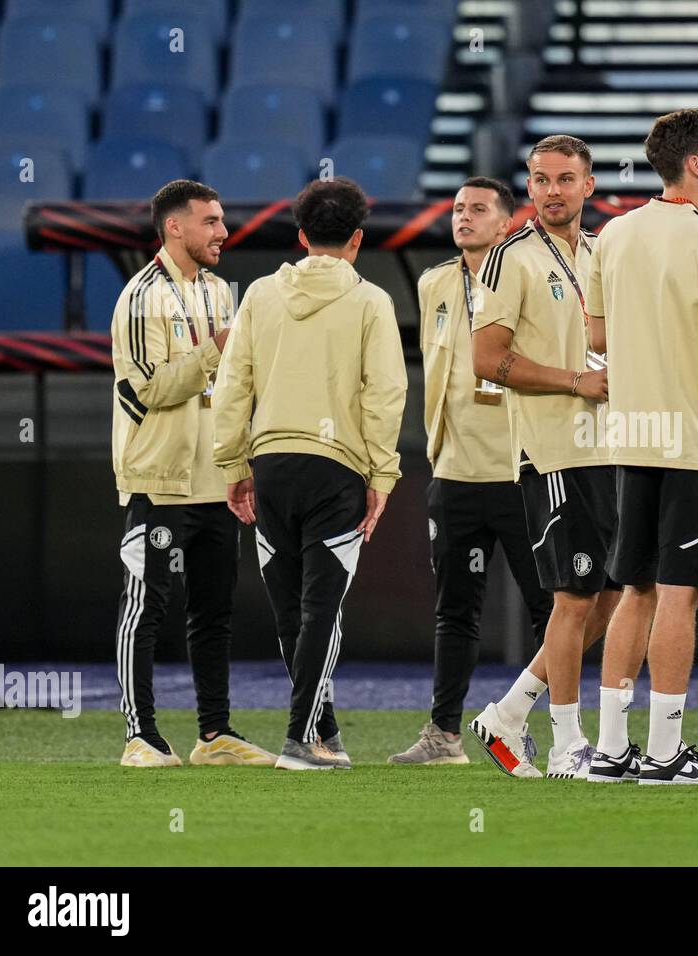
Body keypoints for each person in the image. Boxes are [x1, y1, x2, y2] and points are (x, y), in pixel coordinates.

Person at [584, 109, 698, 785]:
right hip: (695, 438)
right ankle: (663, 753)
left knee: (635, 589)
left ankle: (609, 749)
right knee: (680, 594)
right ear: (696, 164)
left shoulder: (614, 235)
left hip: (632, 435)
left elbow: (597, 335)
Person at [213, 177, 408, 771]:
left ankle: (324, 733)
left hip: (271, 464)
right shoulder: (372, 301)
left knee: (292, 612)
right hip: (337, 466)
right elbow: (386, 394)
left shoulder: (260, 297)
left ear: (300, 237)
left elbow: (232, 385)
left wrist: (232, 463)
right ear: (357, 238)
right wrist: (383, 474)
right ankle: (300, 740)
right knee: (322, 608)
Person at [468, 135, 621, 780]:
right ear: (528, 187)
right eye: (540, 179)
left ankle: (509, 710)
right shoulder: (510, 258)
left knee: (614, 594)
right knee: (574, 598)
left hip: (611, 445)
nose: (552, 190)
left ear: (589, 186)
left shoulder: (603, 251)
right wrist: (572, 380)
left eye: (565, 179)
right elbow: (487, 359)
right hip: (553, 450)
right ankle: (566, 745)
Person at [388, 176, 554, 766]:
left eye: (478, 209)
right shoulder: (434, 281)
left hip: (521, 468)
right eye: (458, 208)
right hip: (455, 471)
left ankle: (558, 732)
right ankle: (444, 736)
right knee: (455, 610)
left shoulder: (533, 275)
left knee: (551, 609)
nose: (464, 217)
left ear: (508, 221)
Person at [109, 179, 275, 769]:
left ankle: (214, 734)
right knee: (146, 606)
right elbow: (148, 387)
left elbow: (233, 392)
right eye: (210, 221)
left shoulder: (217, 293)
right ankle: (141, 736)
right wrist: (216, 349)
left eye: (222, 221)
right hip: (160, 478)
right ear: (174, 227)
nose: (223, 232)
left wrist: (240, 462)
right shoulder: (140, 296)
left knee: (213, 610)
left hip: (214, 478)